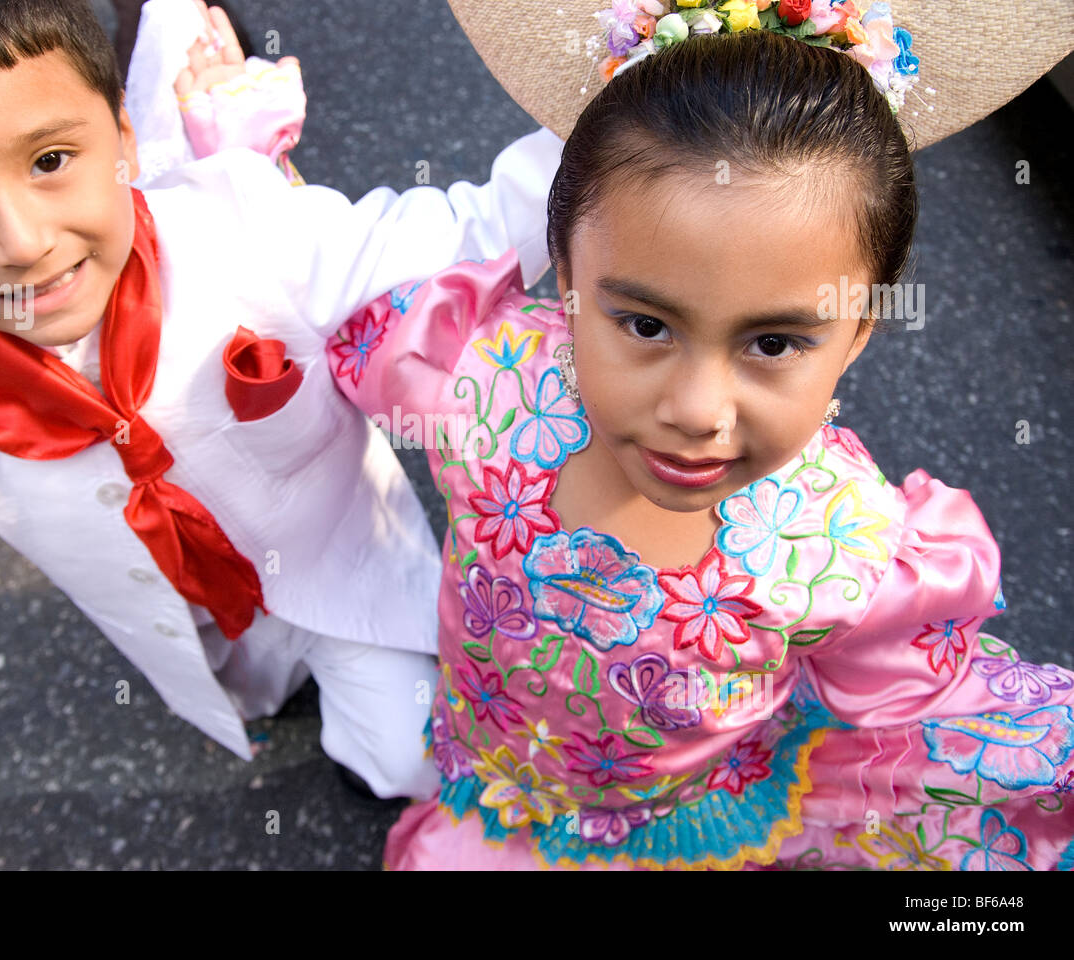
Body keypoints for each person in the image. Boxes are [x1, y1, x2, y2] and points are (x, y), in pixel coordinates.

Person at [327, 3, 1074, 868]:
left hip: (682, 834)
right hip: (484, 772)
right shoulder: (470, 373)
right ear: (566, 274)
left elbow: (918, 721)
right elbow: (324, 316)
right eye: (646, 325)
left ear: (860, 330)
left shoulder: (856, 551)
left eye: (774, 343)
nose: (697, 408)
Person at [0, 0, 562, 805]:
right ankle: (261, 699)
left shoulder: (248, 226)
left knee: (406, 761)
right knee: (253, 690)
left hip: (341, 573)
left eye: (49, 160)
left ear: (124, 137)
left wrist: (628, 115)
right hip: (194, 632)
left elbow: (471, 232)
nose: (22, 242)